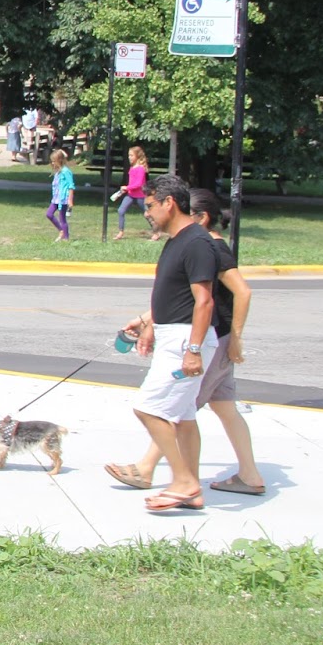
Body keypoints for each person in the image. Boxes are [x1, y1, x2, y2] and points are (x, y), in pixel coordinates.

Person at [105, 189, 265, 495]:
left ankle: (150, 470)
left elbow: (239, 293)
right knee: (222, 407)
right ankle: (249, 474)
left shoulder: (210, 247)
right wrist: (148, 320)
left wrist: (236, 340)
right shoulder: (192, 245)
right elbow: (179, 295)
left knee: (174, 407)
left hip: (210, 339)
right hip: (212, 338)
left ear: (200, 217)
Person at [115, 174, 218, 512]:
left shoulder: (197, 242)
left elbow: (204, 302)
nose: (146, 212)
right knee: (183, 418)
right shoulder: (177, 240)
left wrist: (193, 350)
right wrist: (147, 322)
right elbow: (173, 296)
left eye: (150, 205)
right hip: (173, 335)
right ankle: (192, 489)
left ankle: (184, 481)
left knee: (148, 407)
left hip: (186, 341)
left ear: (168, 202)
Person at [112, 146, 148, 240]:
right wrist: (124, 190)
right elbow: (132, 183)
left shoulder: (140, 169)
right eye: (129, 155)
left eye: (131, 155)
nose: (129, 157)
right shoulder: (132, 168)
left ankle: (157, 231)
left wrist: (127, 187)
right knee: (121, 210)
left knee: (147, 214)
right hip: (131, 195)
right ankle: (120, 232)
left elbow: (139, 184)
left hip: (140, 196)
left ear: (137, 156)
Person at [45, 148, 74, 241]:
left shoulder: (66, 171)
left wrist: (70, 199)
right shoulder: (58, 172)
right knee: (49, 214)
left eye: (54, 161)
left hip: (63, 199)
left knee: (62, 219)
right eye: (52, 161)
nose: (53, 163)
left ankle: (66, 237)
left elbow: (71, 186)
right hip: (56, 198)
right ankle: (61, 231)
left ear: (60, 160)